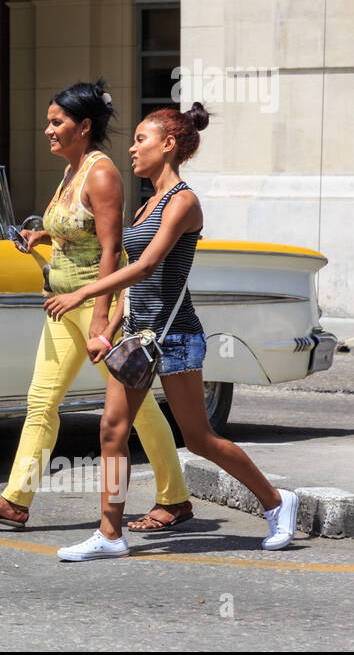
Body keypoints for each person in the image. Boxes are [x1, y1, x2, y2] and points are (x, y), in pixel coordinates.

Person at [45, 102, 298, 559]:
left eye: (141, 139)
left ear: (169, 144)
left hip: (176, 338)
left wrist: (83, 296)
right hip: (140, 338)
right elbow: (136, 285)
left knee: (199, 439)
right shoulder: (146, 205)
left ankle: (277, 502)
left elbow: (146, 266)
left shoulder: (183, 202)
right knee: (111, 431)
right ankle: (110, 535)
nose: (132, 149)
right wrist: (111, 328)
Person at [0, 79, 193, 530]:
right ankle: (16, 500)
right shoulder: (72, 169)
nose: (48, 130)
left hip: (95, 303)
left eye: (57, 122)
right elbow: (78, 227)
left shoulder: (101, 173)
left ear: (83, 126)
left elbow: (111, 248)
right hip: (61, 305)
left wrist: (102, 319)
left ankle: (175, 498)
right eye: (49, 122)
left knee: (137, 408)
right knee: (41, 402)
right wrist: (41, 235)